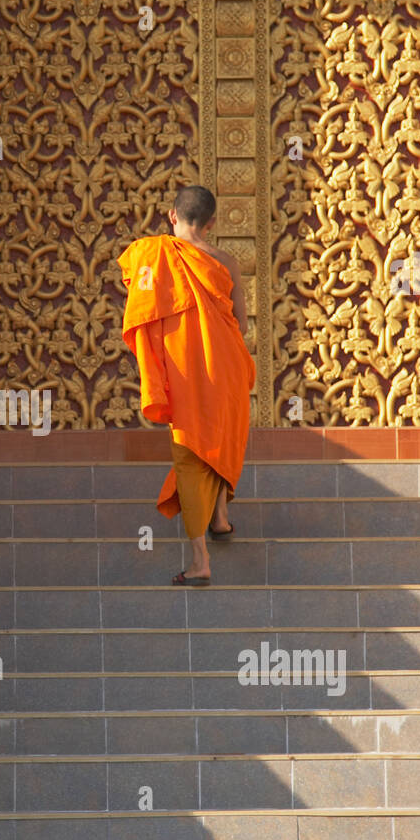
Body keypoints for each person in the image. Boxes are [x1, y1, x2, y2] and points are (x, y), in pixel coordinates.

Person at [118, 185, 255, 586]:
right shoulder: (227, 262)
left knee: (193, 454)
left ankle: (200, 561)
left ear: (172, 214)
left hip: (187, 371)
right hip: (227, 370)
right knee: (223, 438)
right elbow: (241, 325)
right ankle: (222, 518)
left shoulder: (152, 254)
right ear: (211, 223)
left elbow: (143, 312)